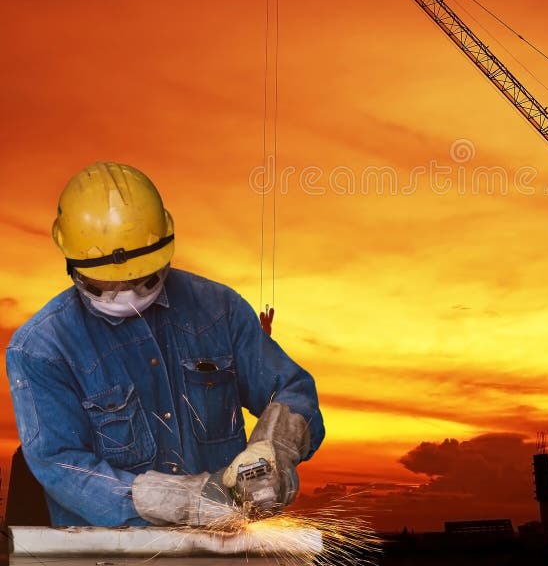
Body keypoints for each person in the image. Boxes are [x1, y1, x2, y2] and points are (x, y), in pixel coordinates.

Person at [6, 162, 324, 527]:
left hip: (227, 546)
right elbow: (60, 464)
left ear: (166, 249)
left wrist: (275, 449)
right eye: (105, 284)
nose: (125, 291)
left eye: (143, 279)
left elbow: (292, 388)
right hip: (105, 553)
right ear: (74, 265)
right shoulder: (42, 349)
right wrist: (179, 501)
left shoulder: (219, 310)